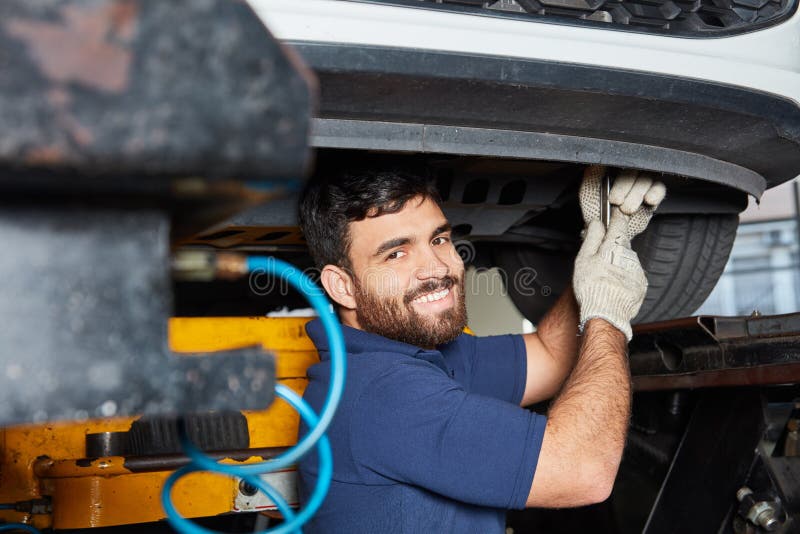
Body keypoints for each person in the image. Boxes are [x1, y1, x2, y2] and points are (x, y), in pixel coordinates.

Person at [296, 165, 666, 533]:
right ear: (342, 287)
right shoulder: (382, 394)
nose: (436, 268)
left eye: (439, 239)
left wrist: (602, 244)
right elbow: (585, 470)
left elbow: (550, 356)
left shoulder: (416, 355)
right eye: (396, 254)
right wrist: (606, 314)